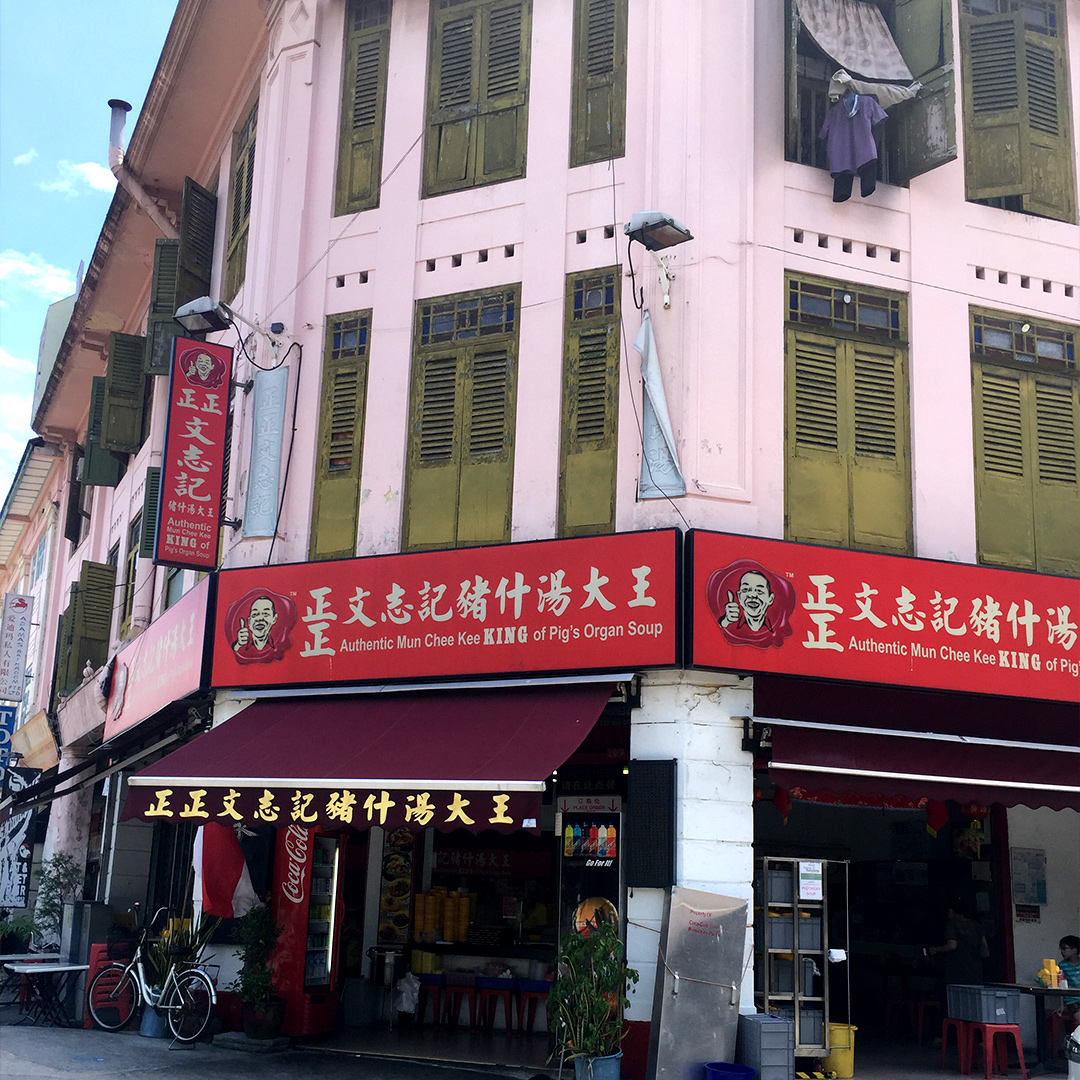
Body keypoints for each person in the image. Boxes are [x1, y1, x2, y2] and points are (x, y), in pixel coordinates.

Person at [720, 570, 776, 635]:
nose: (752, 595)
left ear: (770, 599)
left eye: (759, 590)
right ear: (739, 597)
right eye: (745, 589)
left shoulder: (776, 625)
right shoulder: (730, 623)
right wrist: (726, 621)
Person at [1059, 935, 1079, 1019]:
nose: (1062, 952)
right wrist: (1061, 1005)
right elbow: (1060, 985)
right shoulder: (1062, 965)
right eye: (1060, 949)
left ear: (1074, 950)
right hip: (1072, 1000)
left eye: (1064, 949)